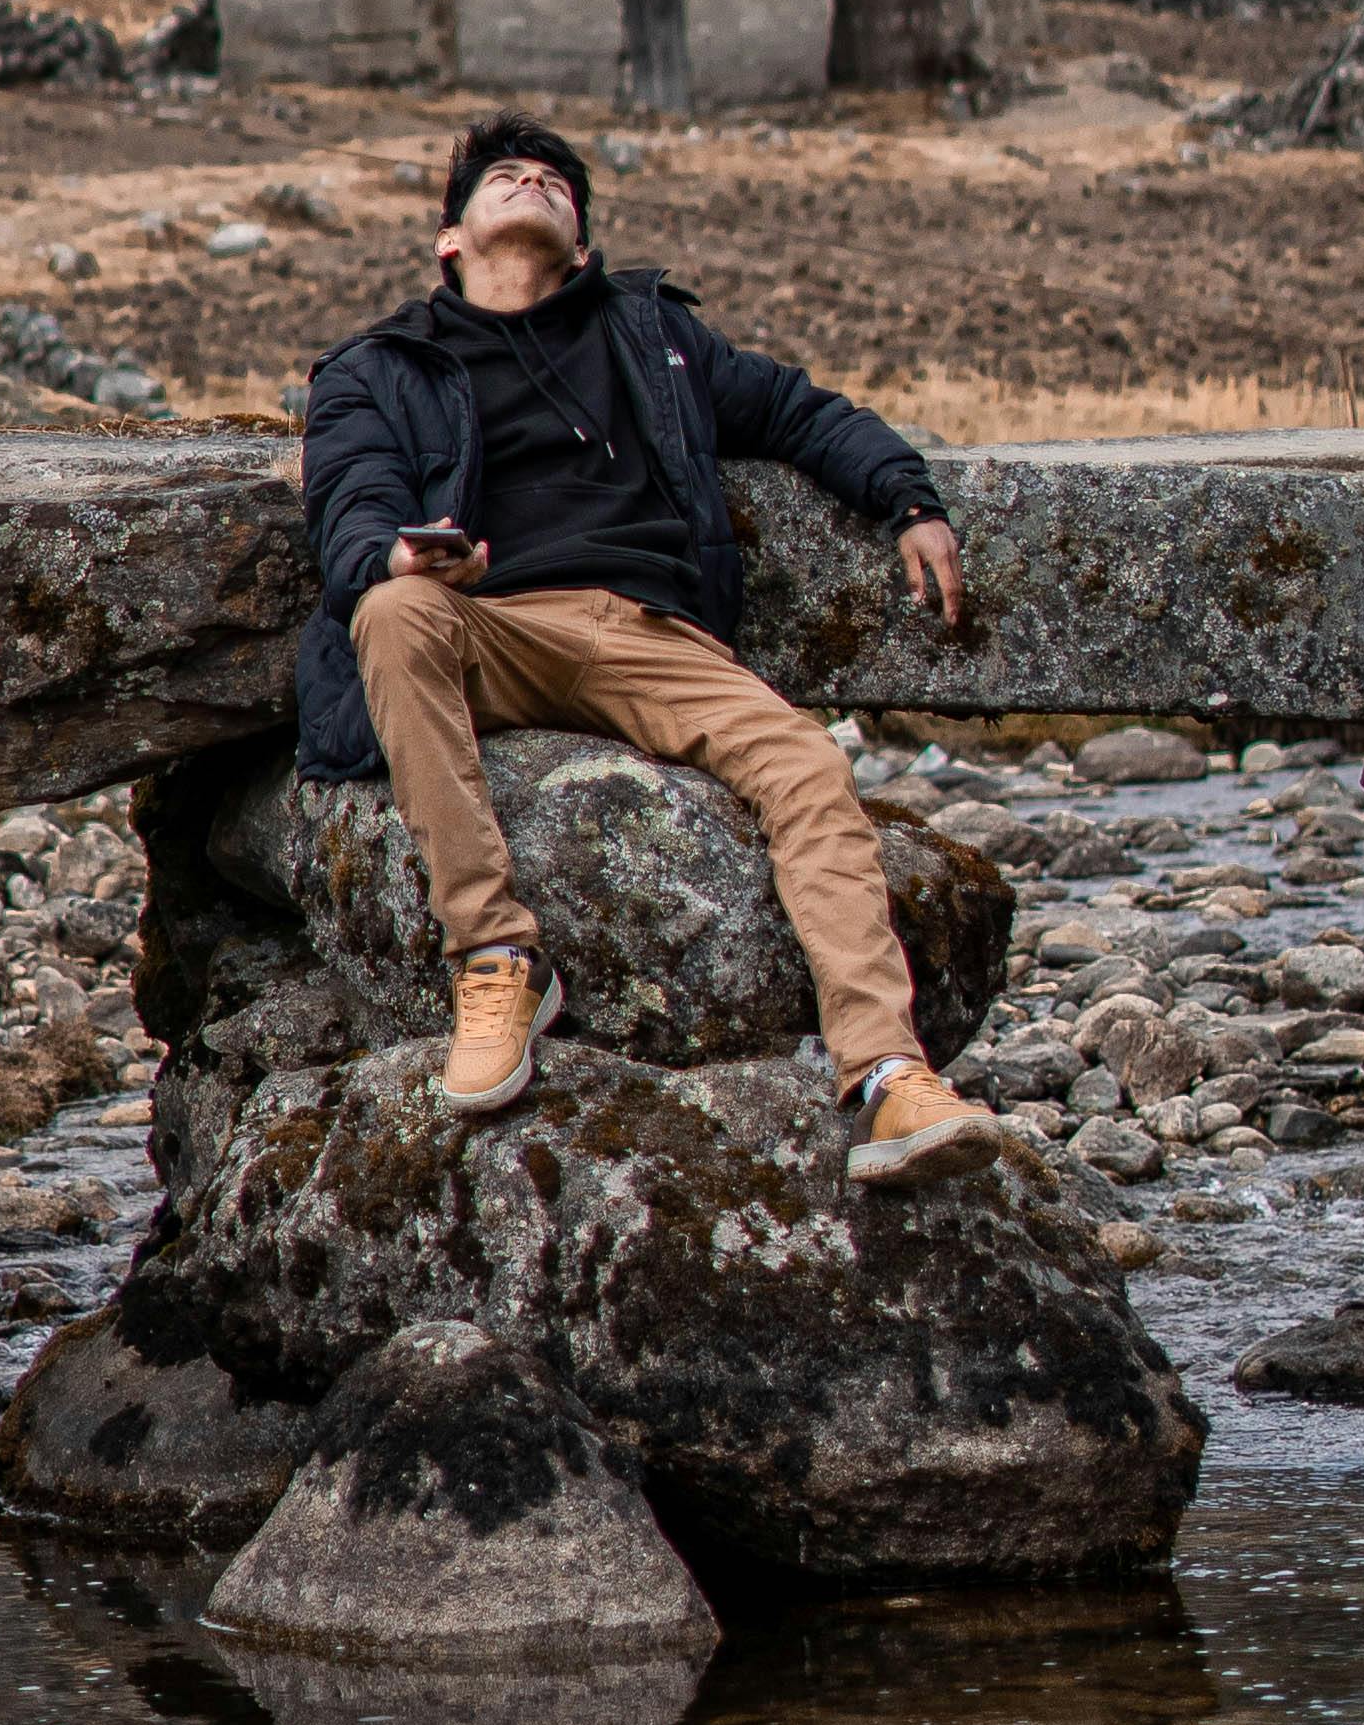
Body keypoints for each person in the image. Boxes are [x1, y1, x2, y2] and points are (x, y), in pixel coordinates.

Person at [295, 106, 995, 1184]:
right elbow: (350, 506)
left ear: (579, 241)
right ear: (448, 240)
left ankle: (888, 1079)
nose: (533, 182)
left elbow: (801, 413)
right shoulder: (376, 369)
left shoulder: (652, 336)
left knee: (804, 763)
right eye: (507, 176)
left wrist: (909, 499)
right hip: (488, 625)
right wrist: (400, 560)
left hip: (652, 635)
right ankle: (494, 960)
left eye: (555, 182)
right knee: (390, 614)